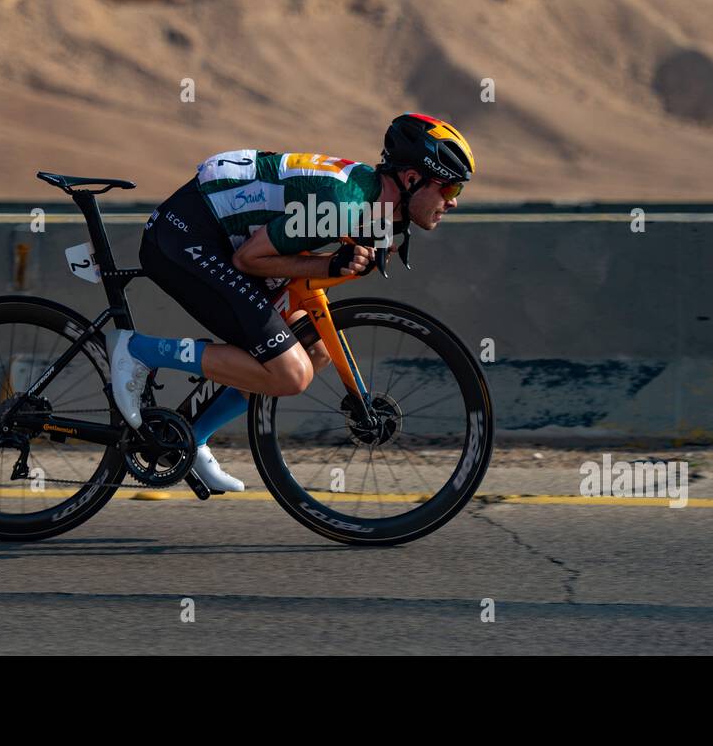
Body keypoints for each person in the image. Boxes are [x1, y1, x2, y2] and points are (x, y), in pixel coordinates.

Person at [109, 113, 475, 491]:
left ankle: (189, 438)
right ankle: (139, 351)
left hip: (222, 235)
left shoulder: (377, 202)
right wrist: (329, 263)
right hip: (187, 236)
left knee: (314, 349)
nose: (453, 203)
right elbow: (248, 260)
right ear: (412, 179)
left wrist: (338, 261)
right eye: (449, 190)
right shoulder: (343, 205)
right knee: (290, 373)